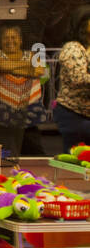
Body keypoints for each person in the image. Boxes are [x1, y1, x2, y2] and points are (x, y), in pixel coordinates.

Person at [0, 24, 48, 157]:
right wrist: (28, 67)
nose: (10, 41)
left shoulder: (32, 54)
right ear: (0, 41)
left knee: (35, 158)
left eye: (14, 37)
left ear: (21, 40)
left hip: (28, 116)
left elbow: (41, 71)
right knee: (1, 158)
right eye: (6, 38)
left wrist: (9, 67)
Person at [54, 13, 90, 150]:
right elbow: (78, 78)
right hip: (74, 113)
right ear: (83, 26)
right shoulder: (72, 48)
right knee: (76, 158)